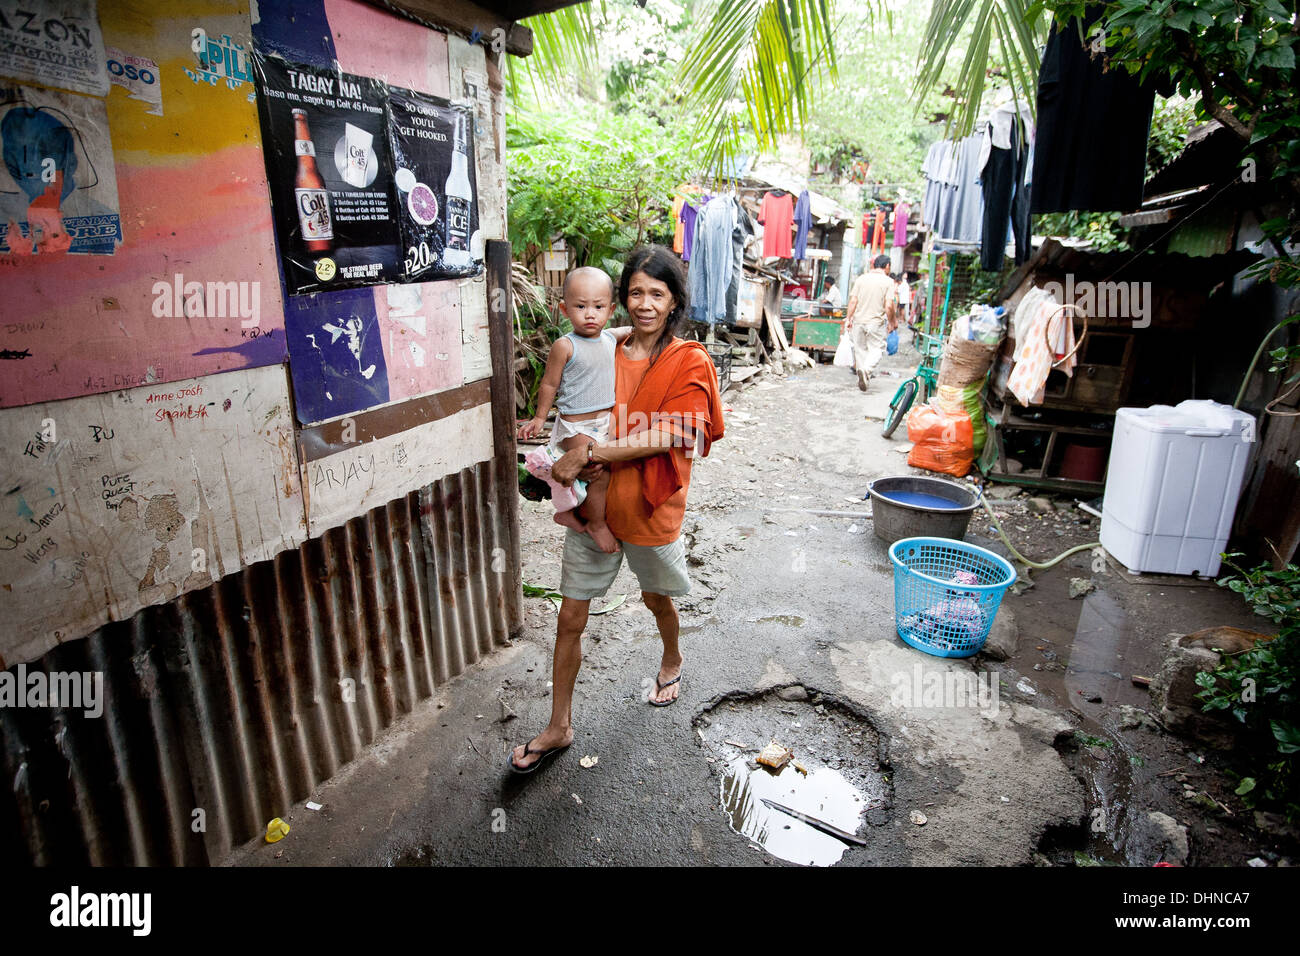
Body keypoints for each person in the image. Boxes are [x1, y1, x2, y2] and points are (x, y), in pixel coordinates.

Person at [508, 245, 725, 774]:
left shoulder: (686, 359)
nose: (645, 303)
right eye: (636, 293)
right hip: (593, 509)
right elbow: (564, 399)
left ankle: (671, 656)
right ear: (621, 299)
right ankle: (559, 725)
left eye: (657, 293)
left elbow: (677, 430)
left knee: (655, 599)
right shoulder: (607, 346)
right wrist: (565, 444)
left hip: (650, 510)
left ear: (674, 300)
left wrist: (590, 450)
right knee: (570, 616)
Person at [518, 267, 629, 554]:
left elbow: (632, 329)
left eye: (598, 306)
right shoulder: (565, 345)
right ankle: (595, 523)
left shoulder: (609, 338)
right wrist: (540, 417)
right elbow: (549, 384)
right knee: (598, 472)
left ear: (611, 309)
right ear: (565, 309)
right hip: (576, 427)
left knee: (603, 470)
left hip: (604, 422)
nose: (590, 314)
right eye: (581, 306)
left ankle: (568, 511)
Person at [844, 254, 897, 391]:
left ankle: (863, 377)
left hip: (858, 321)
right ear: (887, 266)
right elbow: (889, 305)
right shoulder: (888, 282)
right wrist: (892, 321)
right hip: (875, 322)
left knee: (860, 350)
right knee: (877, 348)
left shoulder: (861, 279)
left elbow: (853, 301)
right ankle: (866, 370)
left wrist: (848, 318)